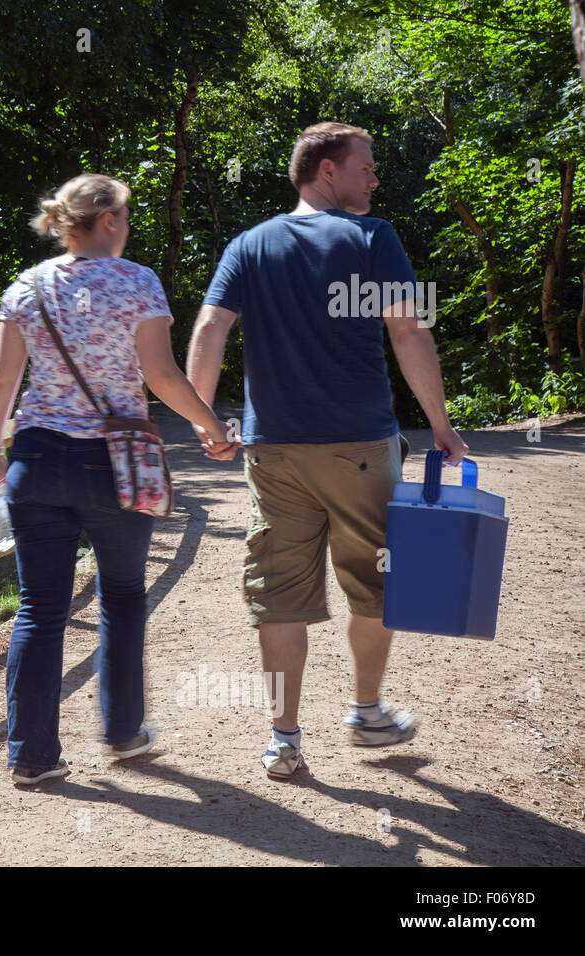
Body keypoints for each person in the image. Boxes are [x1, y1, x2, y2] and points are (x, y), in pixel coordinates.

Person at [184, 122, 470, 780]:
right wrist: (441, 424)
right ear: (325, 171)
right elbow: (408, 330)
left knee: (279, 596)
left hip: (273, 450)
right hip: (360, 446)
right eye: (364, 167)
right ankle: (365, 711)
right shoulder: (373, 239)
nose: (374, 179)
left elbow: (209, 327)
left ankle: (283, 740)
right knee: (377, 586)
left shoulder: (249, 245)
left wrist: (205, 420)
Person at [0, 173, 238, 786]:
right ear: (110, 220)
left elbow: (0, 384)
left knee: (38, 609)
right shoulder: (136, 283)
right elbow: (163, 378)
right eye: (125, 215)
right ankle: (122, 733)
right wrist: (212, 428)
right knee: (121, 596)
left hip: (35, 460)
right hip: (114, 464)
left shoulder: (27, 287)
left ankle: (31, 757)